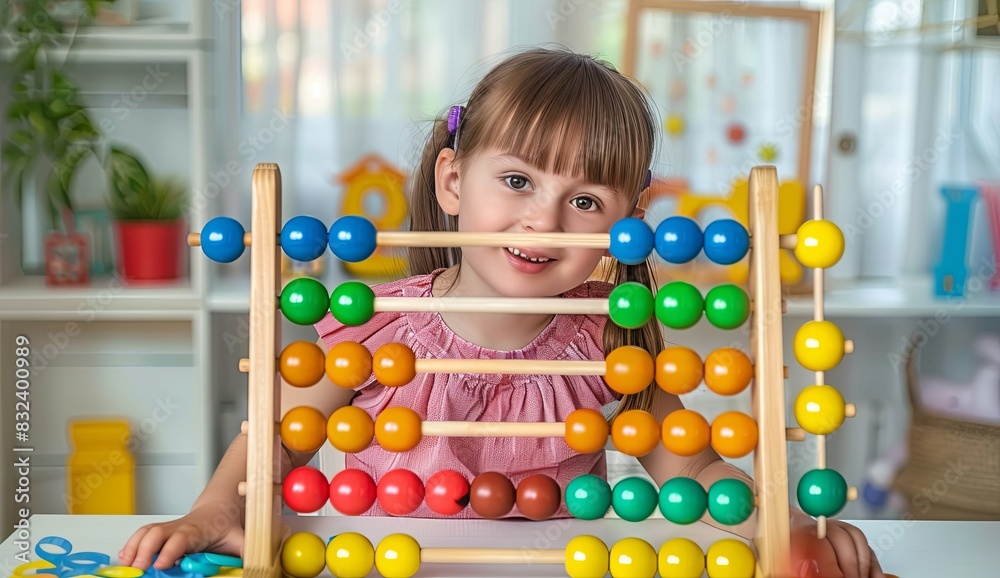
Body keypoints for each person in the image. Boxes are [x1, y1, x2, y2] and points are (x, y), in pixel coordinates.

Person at [119, 48, 884, 578]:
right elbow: (276, 437)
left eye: (585, 201)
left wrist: (783, 527)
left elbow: (690, 469)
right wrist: (215, 510)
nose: (542, 220)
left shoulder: (608, 341)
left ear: (626, 225)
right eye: (516, 180)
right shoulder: (372, 327)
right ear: (453, 181)